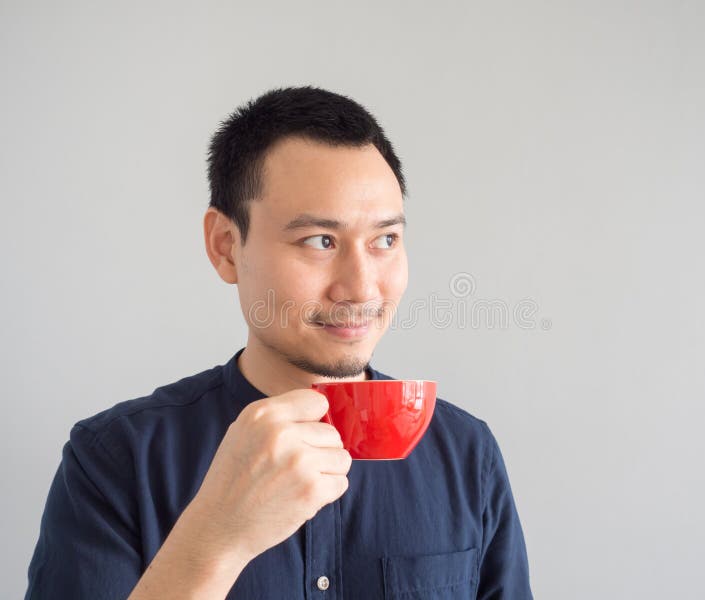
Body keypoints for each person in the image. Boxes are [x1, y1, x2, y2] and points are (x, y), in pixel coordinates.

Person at [25, 85, 533, 599]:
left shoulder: (468, 455)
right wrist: (214, 542)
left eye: (385, 240)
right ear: (226, 247)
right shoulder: (114, 461)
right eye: (320, 241)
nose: (361, 287)